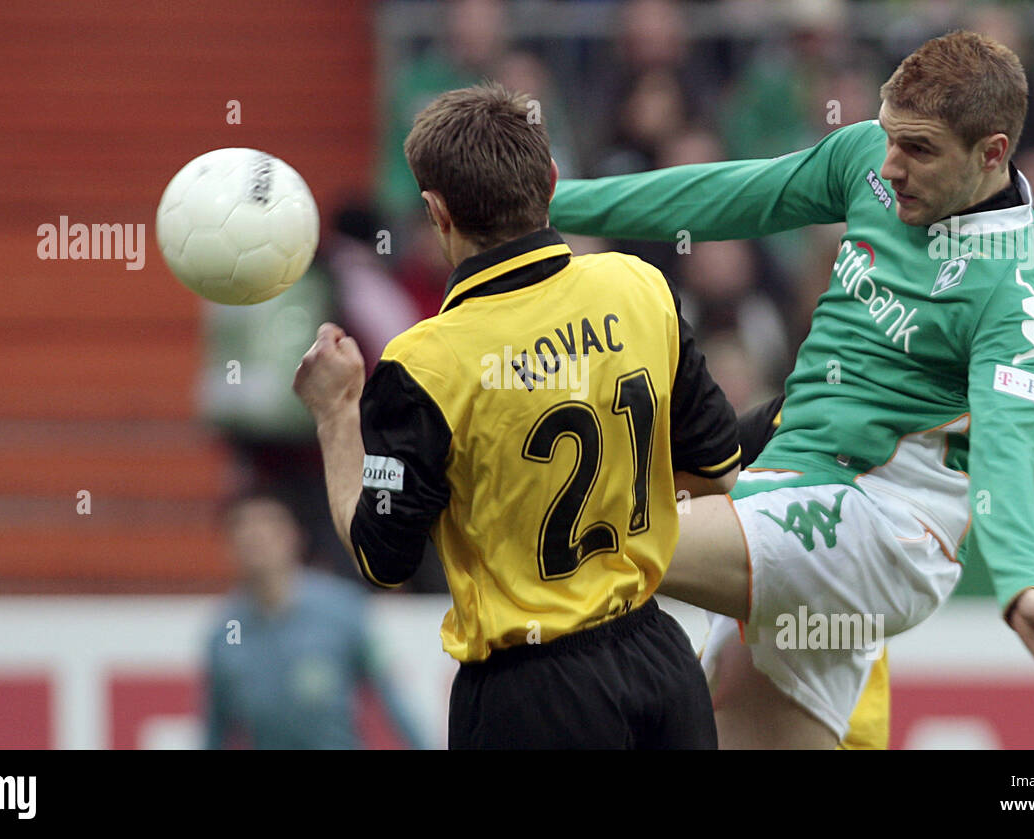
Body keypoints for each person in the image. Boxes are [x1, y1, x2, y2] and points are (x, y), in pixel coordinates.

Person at [550, 30, 1034, 748]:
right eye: (891, 136)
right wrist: (554, 205)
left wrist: (1025, 582)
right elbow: (727, 197)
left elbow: (1005, 446)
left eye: (919, 149)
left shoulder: (1016, 288)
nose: (891, 166)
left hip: (884, 525)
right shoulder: (870, 158)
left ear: (991, 153)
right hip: (788, 488)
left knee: (595, 531)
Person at [292, 83, 743, 749]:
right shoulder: (639, 286)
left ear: (436, 212)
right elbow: (718, 468)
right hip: (661, 666)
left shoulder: (425, 362)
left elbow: (380, 557)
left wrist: (336, 413)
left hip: (528, 694)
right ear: (552, 181)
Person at [204, 490, 421, 749]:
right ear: (230, 545)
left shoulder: (342, 610)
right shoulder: (228, 633)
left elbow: (391, 698)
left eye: (268, 527)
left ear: (295, 536)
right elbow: (216, 728)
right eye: (243, 529)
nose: (256, 537)